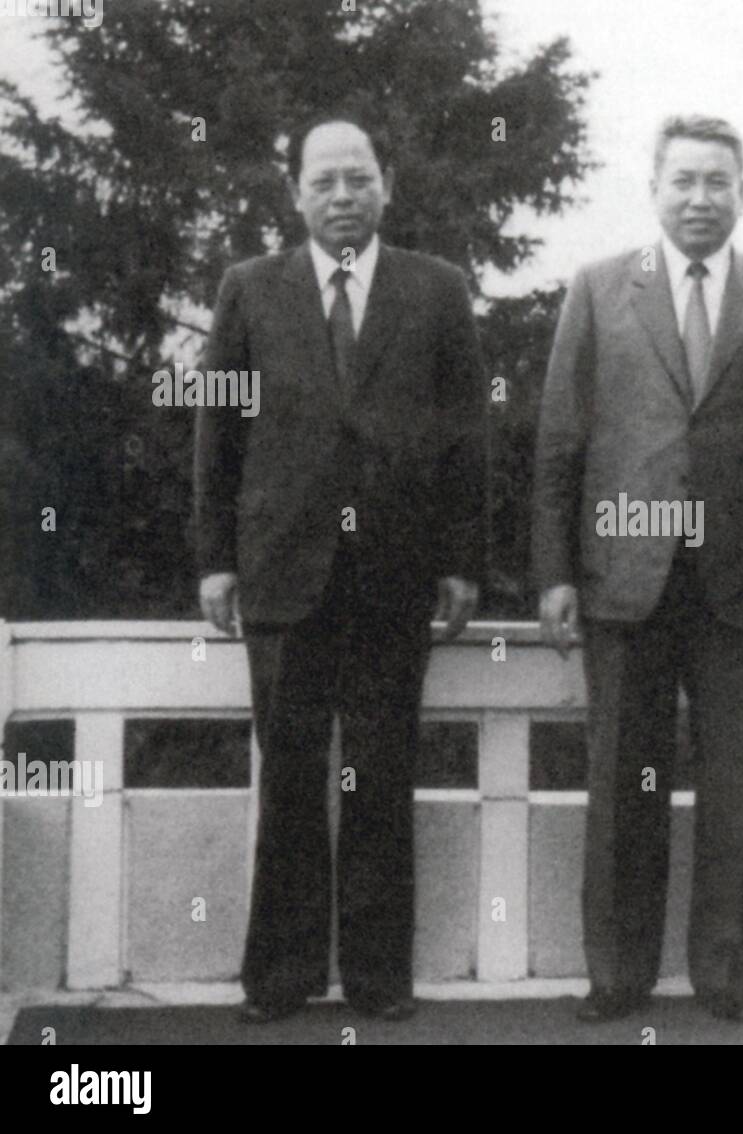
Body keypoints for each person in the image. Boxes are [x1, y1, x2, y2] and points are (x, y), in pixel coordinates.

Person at [532, 114, 743, 1023]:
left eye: (718, 182)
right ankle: (618, 975)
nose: (700, 198)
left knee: (739, 792)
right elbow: (559, 443)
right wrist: (554, 575)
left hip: (742, 588)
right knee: (625, 784)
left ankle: (728, 976)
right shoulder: (596, 288)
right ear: (653, 188)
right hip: (625, 577)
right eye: (684, 181)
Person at [194, 111, 486, 1023]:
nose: (343, 196)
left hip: (394, 577)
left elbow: (468, 440)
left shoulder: (437, 291)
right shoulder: (249, 289)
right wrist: (215, 560)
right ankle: (279, 977)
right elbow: (218, 433)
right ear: (295, 194)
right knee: (287, 780)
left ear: (387, 185)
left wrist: (462, 561)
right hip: (282, 572)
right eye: (323, 181)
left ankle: (376, 978)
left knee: (379, 777)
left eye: (358, 177)